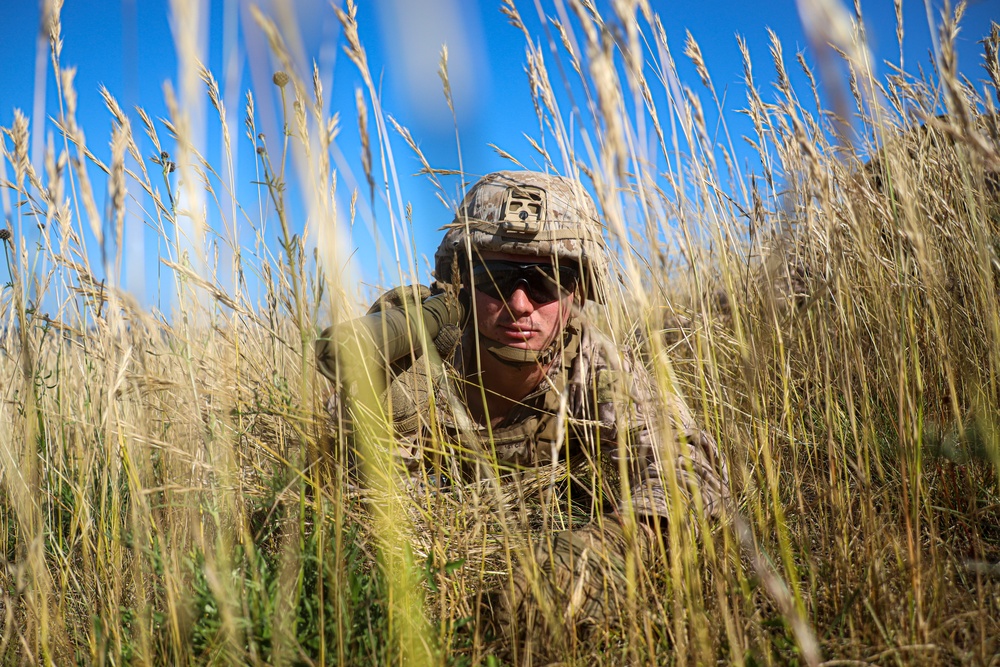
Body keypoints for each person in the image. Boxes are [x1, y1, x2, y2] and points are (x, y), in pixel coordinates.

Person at [316, 170, 729, 654]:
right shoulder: (411, 367)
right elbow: (360, 516)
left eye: (546, 282)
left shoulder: (597, 368)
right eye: (496, 278)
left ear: (578, 291)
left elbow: (692, 472)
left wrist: (613, 546)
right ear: (460, 283)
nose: (519, 304)